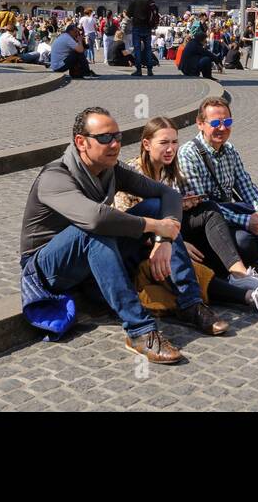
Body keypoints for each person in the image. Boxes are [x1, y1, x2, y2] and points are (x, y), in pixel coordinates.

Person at [19, 107, 229, 364]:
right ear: (80, 142)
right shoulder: (55, 177)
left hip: (93, 258)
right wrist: (153, 226)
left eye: (117, 136)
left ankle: (189, 303)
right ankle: (139, 330)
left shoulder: (111, 169)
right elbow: (96, 218)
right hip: (48, 268)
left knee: (152, 206)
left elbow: (169, 195)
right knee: (96, 229)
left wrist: (163, 238)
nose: (115, 144)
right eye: (105, 138)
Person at [121, 117, 258, 311]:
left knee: (208, 209)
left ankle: (239, 274)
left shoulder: (167, 170)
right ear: (146, 144)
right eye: (164, 143)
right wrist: (175, 241)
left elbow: (167, 213)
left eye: (174, 142)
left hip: (168, 235)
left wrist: (183, 205)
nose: (171, 149)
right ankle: (251, 296)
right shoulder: (131, 173)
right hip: (142, 246)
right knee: (193, 261)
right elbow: (126, 226)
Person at [178, 97, 258, 280]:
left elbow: (249, 191)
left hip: (234, 213)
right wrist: (246, 221)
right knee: (245, 243)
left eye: (227, 122)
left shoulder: (230, 150)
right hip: (211, 222)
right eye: (215, 123)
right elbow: (205, 207)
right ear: (200, 124)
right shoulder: (188, 154)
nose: (222, 128)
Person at [126, 0, 157, 77]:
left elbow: (128, 15)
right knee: (148, 49)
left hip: (137, 27)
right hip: (148, 27)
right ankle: (149, 70)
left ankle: (139, 70)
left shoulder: (133, 0)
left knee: (137, 49)